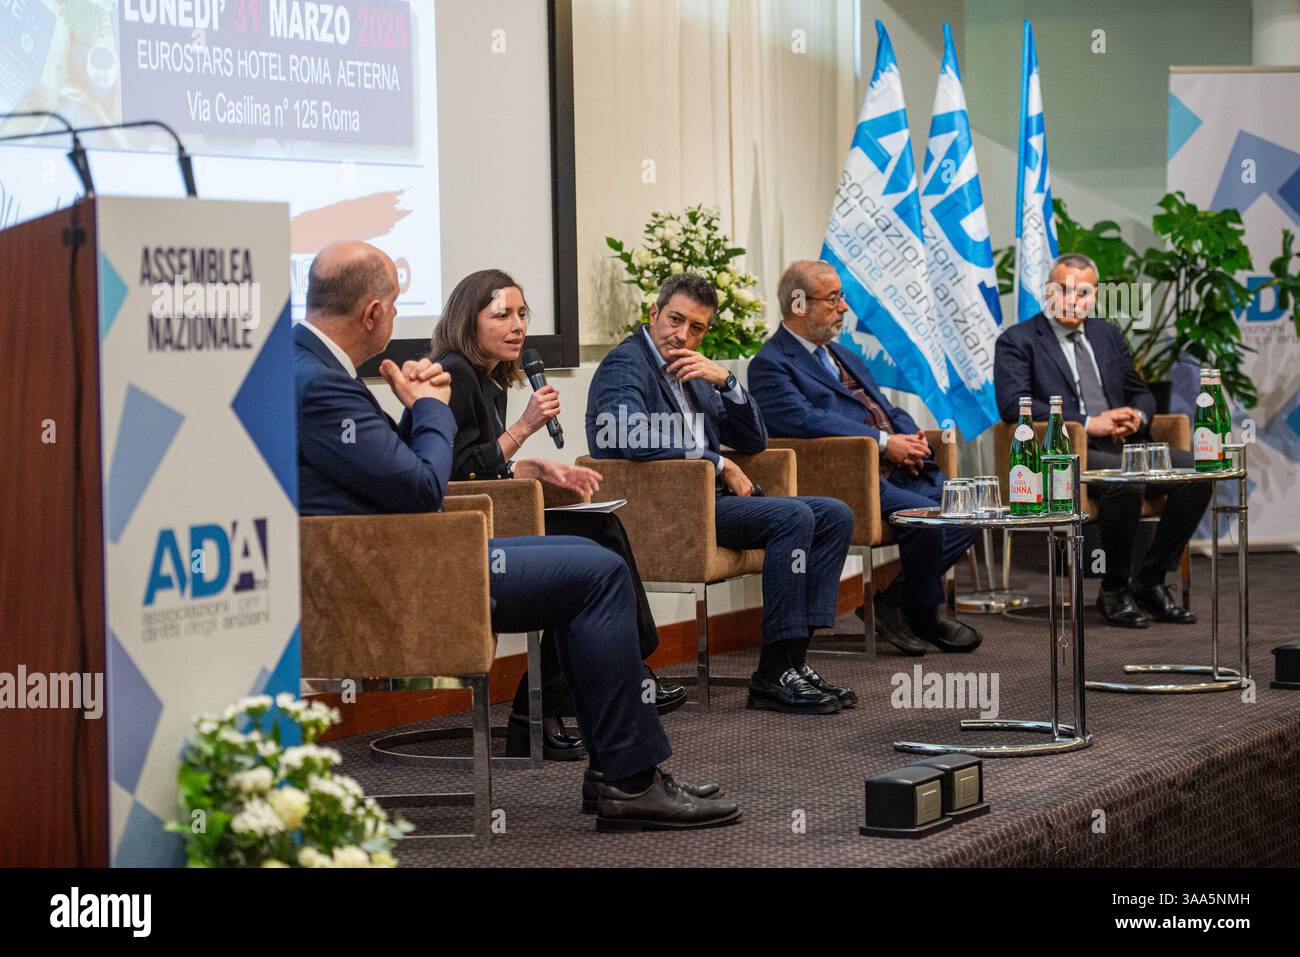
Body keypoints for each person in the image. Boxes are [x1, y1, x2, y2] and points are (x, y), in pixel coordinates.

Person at [294, 241, 737, 830]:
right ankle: (626, 777)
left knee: (589, 553)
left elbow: (388, 473)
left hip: (406, 550)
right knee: (595, 569)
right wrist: (429, 408)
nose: (518, 325)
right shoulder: (321, 383)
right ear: (373, 313)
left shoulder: (308, 369)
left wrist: (446, 429)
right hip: (397, 572)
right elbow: (426, 485)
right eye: (397, 304)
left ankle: (620, 766)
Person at [428, 268, 687, 762]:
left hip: (489, 515)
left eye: (523, 314)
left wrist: (536, 468)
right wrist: (525, 429)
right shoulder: (455, 372)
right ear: (469, 319)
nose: (518, 326)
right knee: (595, 541)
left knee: (597, 530)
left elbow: (485, 462)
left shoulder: (487, 377)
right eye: (502, 315)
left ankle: (541, 708)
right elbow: (455, 474)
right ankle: (622, 666)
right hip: (460, 533)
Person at [586, 272, 857, 715]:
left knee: (834, 514)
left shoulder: (695, 369)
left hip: (714, 503)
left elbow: (754, 441)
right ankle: (773, 674)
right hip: (672, 510)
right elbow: (620, 434)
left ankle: (793, 661)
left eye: (696, 328)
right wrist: (716, 462)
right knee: (795, 518)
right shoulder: (626, 364)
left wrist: (727, 383)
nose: (682, 335)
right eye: (675, 320)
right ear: (654, 313)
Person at [747, 260, 981, 656]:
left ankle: (892, 602)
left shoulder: (840, 354)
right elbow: (805, 421)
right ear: (799, 304)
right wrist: (886, 443)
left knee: (971, 507)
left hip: (895, 468)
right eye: (834, 299)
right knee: (928, 517)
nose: (843, 308)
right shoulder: (770, 365)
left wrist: (909, 437)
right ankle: (925, 612)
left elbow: (884, 406)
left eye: (842, 298)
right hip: (852, 478)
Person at [994, 252, 1210, 628]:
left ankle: (1151, 579)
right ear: (1047, 292)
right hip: (1063, 452)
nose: (1071, 300)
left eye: (1082, 292)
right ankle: (1114, 588)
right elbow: (1015, 406)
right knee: (1125, 482)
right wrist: (1090, 423)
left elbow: (1139, 391)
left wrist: (1136, 416)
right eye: (1062, 290)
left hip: (1124, 445)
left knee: (1197, 473)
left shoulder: (1106, 334)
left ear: (1094, 296)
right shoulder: (1019, 340)